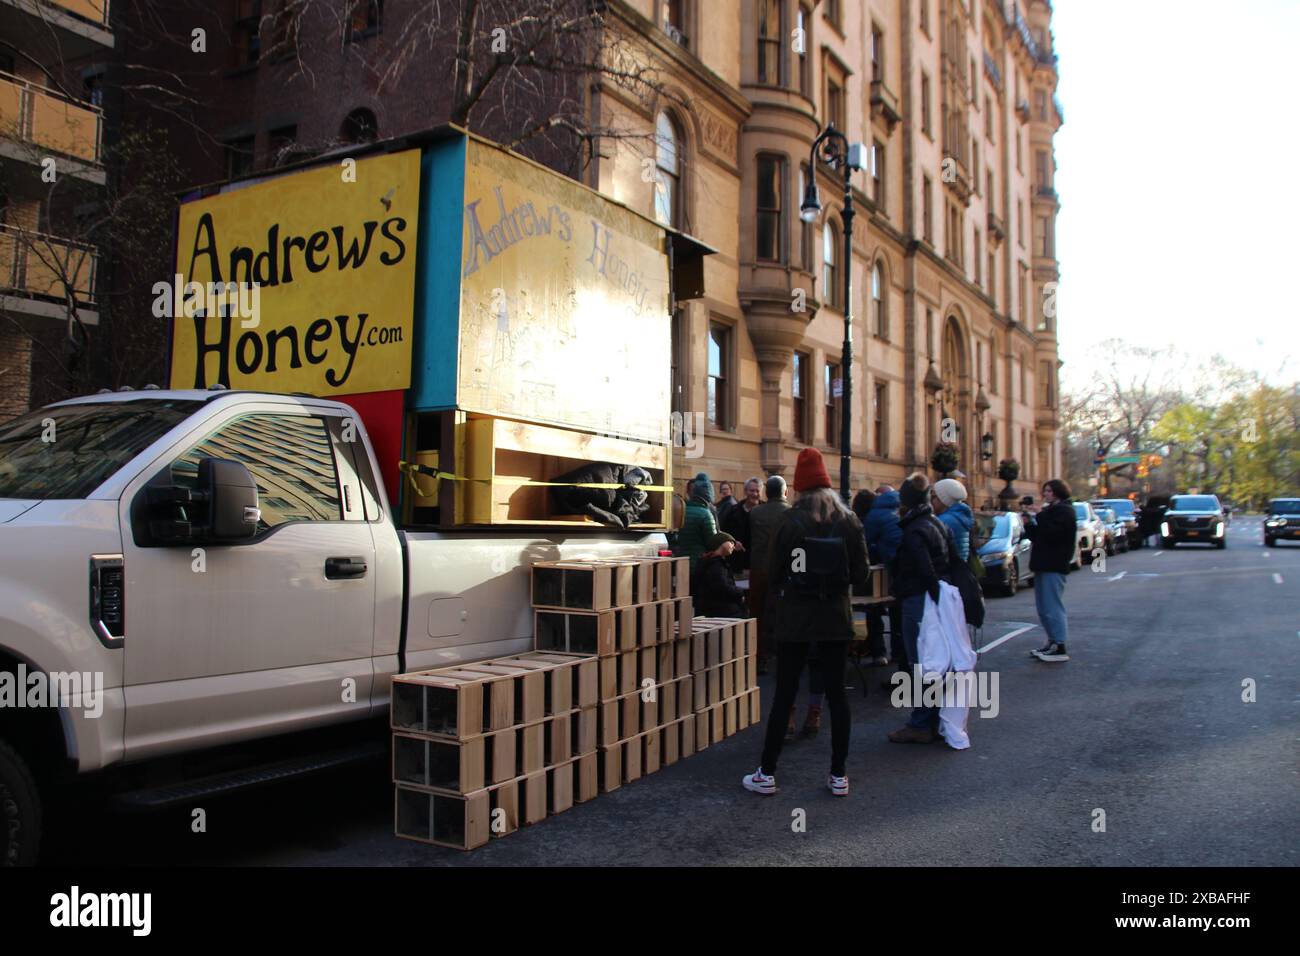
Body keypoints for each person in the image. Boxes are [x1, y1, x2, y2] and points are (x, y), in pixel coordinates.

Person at [743, 448, 869, 798]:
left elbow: (773, 570)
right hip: (834, 617)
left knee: (784, 692)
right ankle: (838, 774)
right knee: (836, 696)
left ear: (798, 487)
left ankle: (767, 772)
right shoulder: (848, 521)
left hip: (796, 618)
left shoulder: (790, 521)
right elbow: (860, 574)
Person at [887, 472, 952, 745]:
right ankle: (933, 719)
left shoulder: (915, 530)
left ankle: (921, 722)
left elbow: (925, 570)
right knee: (934, 663)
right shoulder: (935, 523)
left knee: (920, 663)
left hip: (918, 600)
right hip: (932, 600)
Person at [1022, 479, 1078, 662]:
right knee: (1044, 607)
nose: (1045, 494)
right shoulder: (1052, 511)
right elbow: (1039, 536)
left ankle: (1060, 645)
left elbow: (1054, 533)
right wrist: (1028, 523)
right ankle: (1052, 640)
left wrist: (1040, 515)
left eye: (1048, 491)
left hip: (1054, 565)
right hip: (1043, 564)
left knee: (1052, 606)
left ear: (1057, 492)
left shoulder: (1065, 511)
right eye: (1045, 491)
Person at [747, 475, 790, 674]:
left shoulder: (755, 513)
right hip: (783, 571)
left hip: (758, 569)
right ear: (785, 492)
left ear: (766, 492)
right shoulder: (790, 513)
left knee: (758, 613)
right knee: (783, 613)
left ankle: (759, 656)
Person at [865, 485, 904, 673]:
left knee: (873, 609)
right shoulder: (902, 508)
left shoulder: (875, 513)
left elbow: (866, 540)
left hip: (882, 566)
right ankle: (898, 651)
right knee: (898, 610)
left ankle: (878, 652)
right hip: (901, 567)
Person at [692, 532, 746, 617]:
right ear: (721, 543)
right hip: (720, 611)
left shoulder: (708, 562)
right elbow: (721, 586)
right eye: (731, 542)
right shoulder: (715, 565)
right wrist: (740, 593)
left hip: (712, 609)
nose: (733, 546)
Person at [673, 473, 718, 570]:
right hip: (699, 563)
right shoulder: (706, 514)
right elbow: (712, 543)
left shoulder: (681, 510)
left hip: (680, 562)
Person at [721, 477, 761, 571]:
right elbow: (723, 533)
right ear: (745, 491)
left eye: (757, 491)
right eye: (752, 490)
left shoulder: (766, 512)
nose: (755, 494)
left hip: (758, 566)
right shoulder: (733, 511)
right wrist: (733, 543)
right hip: (736, 563)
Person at [932, 478, 973, 561]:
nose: (931, 501)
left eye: (934, 497)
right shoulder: (959, 516)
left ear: (943, 500)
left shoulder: (944, 521)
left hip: (948, 569)